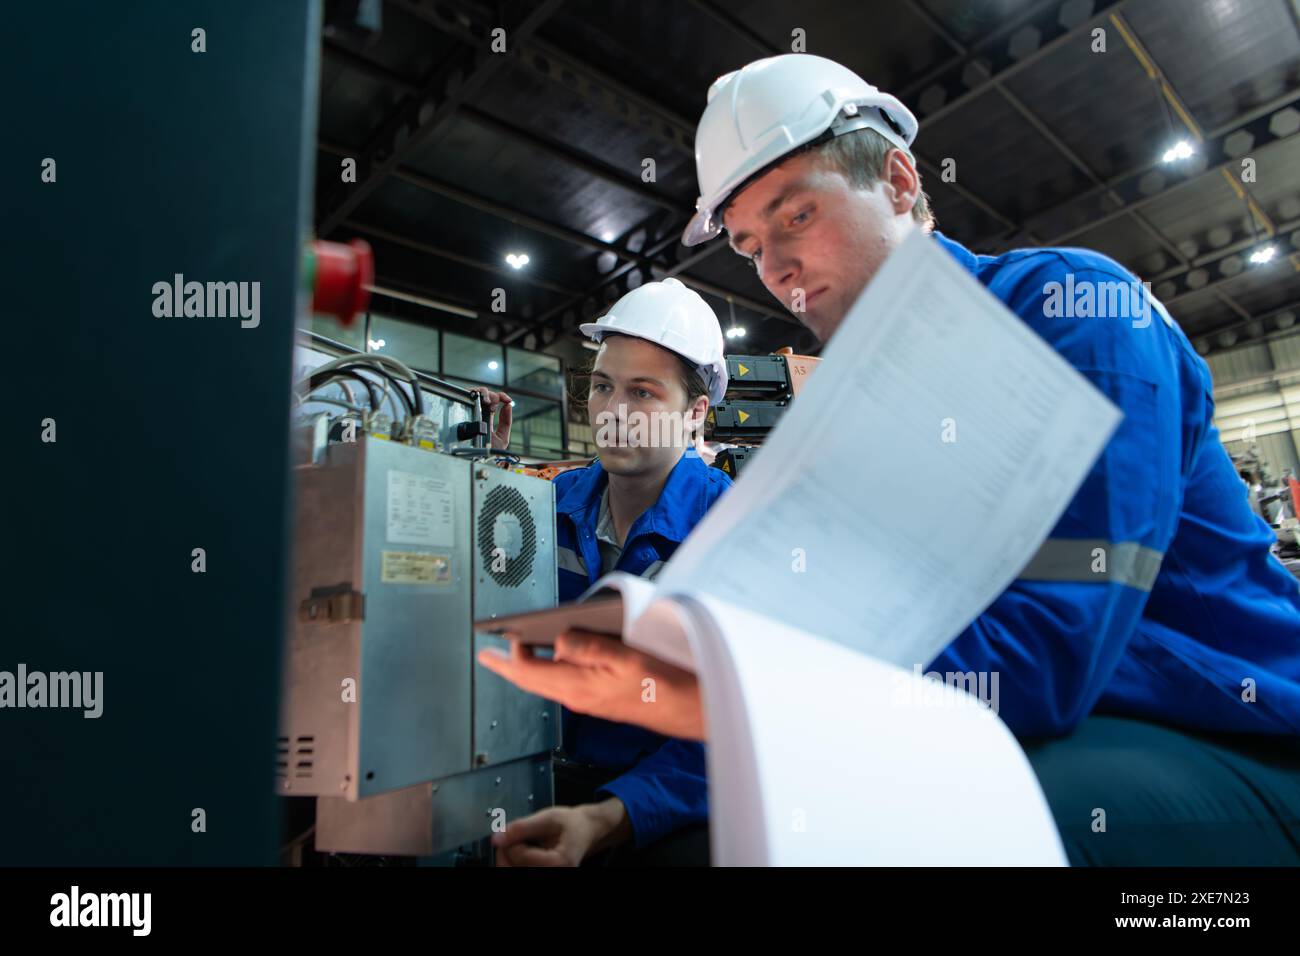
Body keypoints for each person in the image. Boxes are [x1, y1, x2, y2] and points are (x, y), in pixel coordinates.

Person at [480, 54, 1300, 865]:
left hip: (1232, 729)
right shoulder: (856, 426)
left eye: (795, 216)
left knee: (945, 830)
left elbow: (1050, 654)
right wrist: (625, 810)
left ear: (901, 182)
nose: (775, 270)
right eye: (749, 243)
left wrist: (729, 696)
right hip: (1074, 729)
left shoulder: (1073, 316)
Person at [473, 278, 732, 866]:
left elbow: (735, 728)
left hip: (659, 804)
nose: (613, 414)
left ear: (695, 413)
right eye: (602, 387)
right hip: (541, 778)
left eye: (642, 393)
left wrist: (612, 816)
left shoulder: (728, 531)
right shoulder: (545, 504)